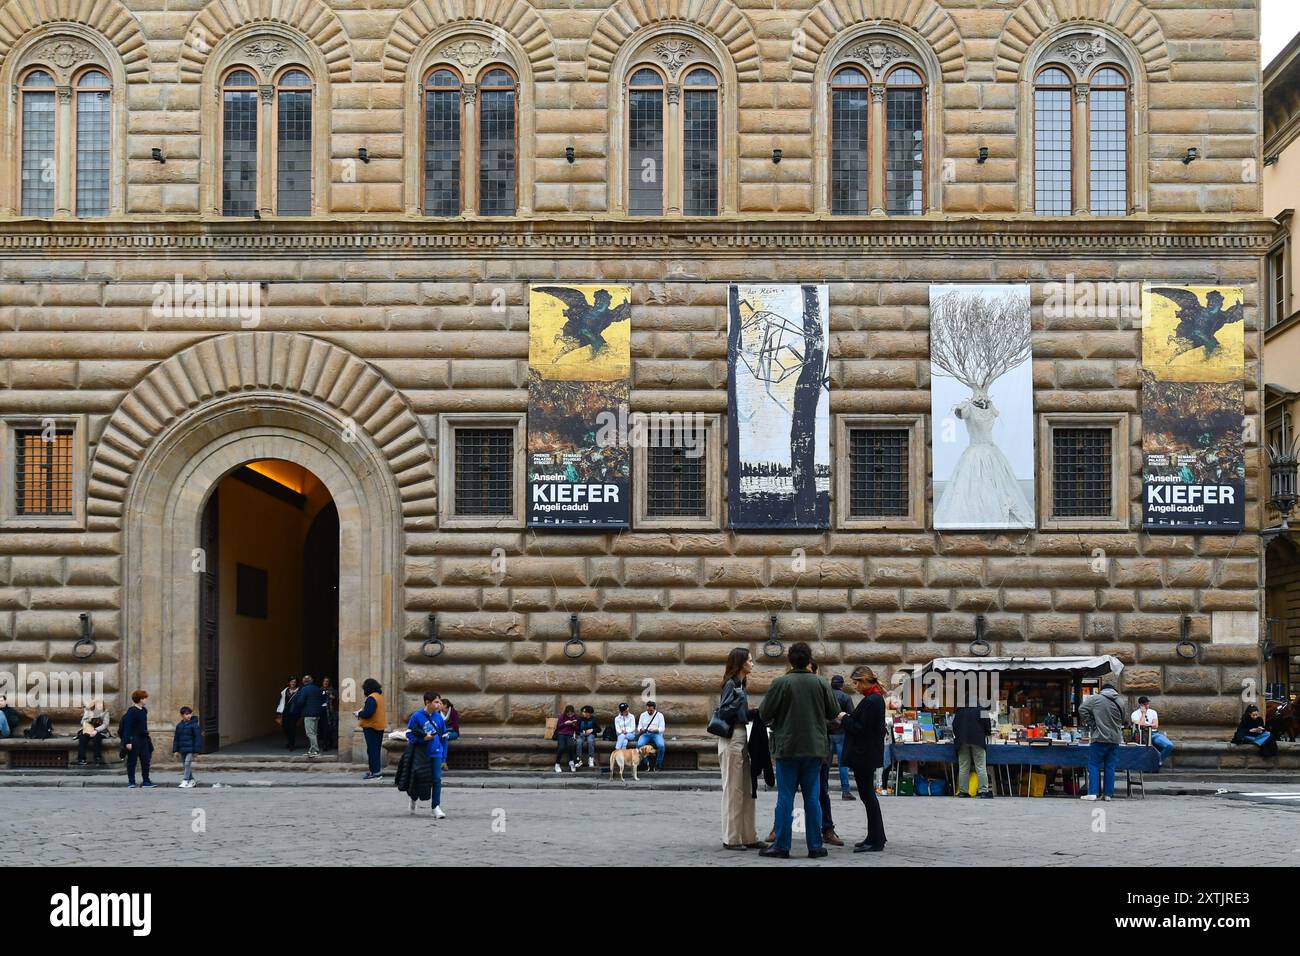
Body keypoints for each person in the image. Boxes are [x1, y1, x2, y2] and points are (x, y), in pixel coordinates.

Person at [758, 642, 840, 860]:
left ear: (790, 660)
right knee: (812, 798)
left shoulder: (781, 683)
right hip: (814, 749)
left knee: (785, 798)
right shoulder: (821, 683)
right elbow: (833, 711)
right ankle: (815, 845)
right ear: (809, 660)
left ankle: (782, 845)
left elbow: (764, 712)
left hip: (787, 747)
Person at [717, 648, 766, 851]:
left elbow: (739, 713)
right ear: (741, 663)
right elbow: (724, 711)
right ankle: (732, 838)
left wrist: (754, 712)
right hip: (732, 739)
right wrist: (739, 701)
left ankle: (748, 835)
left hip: (741, 737)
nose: (753, 664)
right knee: (734, 789)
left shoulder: (740, 684)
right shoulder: (731, 684)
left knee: (747, 789)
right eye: (750, 660)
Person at [839, 665, 887, 852]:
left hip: (864, 755)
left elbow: (860, 728)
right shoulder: (873, 699)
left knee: (868, 797)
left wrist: (844, 718)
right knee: (868, 797)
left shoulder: (872, 701)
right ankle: (875, 836)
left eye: (857, 682)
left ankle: (875, 839)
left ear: (866, 681)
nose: (855, 686)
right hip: (866, 754)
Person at [809, 660, 843, 847]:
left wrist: (822, 724)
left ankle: (827, 829)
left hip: (820, 748)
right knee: (787, 792)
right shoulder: (789, 685)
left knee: (822, 789)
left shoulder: (823, 688)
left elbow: (835, 717)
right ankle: (778, 829)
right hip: (797, 748)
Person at [398, 692, 448, 818]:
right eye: (436, 702)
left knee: (436, 779)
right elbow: (409, 734)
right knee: (418, 778)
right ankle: (413, 798)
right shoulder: (417, 716)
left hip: (436, 752)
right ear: (427, 702)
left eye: (439, 702)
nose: (439, 705)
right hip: (421, 754)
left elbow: (444, 738)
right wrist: (423, 739)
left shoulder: (439, 718)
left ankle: (435, 807)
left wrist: (444, 757)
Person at [1078, 681, 1127, 801]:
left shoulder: (1096, 698)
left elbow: (1081, 709)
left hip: (1099, 737)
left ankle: (1093, 793)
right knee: (1110, 766)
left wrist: (1092, 723)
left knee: (1093, 765)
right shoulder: (1120, 701)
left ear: (1102, 690)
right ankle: (1108, 794)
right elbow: (1123, 719)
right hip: (1115, 739)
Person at [952, 701, 994, 798]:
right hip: (978, 740)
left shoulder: (960, 711)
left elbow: (954, 727)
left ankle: (963, 791)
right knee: (980, 766)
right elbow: (988, 727)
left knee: (963, 766)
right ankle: (983, 791)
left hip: (962, 741)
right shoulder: (982, 710)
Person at [120, 689, 155, 789]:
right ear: (140, 699)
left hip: (144, 739)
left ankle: (146, 781)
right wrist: (127, 742)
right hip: (134, 739)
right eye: (144, 698)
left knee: (146, 760)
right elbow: (127, 727)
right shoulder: (132, 711)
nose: (146, 700)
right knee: (132, 761)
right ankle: (131, 782)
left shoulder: (144, 710)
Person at [356, 678, 387, 779]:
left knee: (372, 749)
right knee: (375, 749)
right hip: (379, 726)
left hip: (371, 726)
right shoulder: (379, 696)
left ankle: (375, 772)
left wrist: (359, 713)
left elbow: (368, 713)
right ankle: (375, 770)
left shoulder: (371, 698)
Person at [830, 675, 854, 801]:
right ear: (842, 685)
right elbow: (851, 715)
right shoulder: (846, 697)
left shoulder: (825, 696)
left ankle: (820, 790)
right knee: (843, 763)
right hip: (841, 733)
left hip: (827, 733)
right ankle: (845, 791)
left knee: (824, 764)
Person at [1132, 696, 1174, 764]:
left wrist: (1146, 724)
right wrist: (1143, 714)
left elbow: (1156, 725)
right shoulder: (1135, 714)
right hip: (1143, 735)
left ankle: (1158, 761)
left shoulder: (1153, 712)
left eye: (1148, 703)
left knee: (1169, 745)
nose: (1147, 706)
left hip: (1154, 734)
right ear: (1141, 705)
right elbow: (1141, 726)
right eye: (1145, 704)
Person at [293, 674, 325, 757]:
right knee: (314, 733)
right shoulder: (317, 689)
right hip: (317, 714)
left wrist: (296, 696)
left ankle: (316, 751)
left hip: (309, 714)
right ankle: (312, 750)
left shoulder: (304, 689)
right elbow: (322, 700)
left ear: (304, 682)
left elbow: (300, 702)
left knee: (310, 733)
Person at [172, 706, 202, 788]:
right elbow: (176, 738)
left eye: (190, 714)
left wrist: (197, 749)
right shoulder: (179, 726)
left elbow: (198, 737)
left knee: (187, 763)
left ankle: (185, 780)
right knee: (185, 765)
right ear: (182, 715)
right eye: (186, 714)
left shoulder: (194, 725)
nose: (188, 716)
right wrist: (175, 750)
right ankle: (192, 780)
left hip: (191, 748)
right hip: (182, 748)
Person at [77, 698, 111, 766]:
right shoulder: (89, 711)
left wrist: (96, 730)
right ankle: (81, 758)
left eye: (100, 704)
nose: (99, 706)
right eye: (97, 704)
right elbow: (82, 722)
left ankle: (97, 758)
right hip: (88, 730)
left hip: (100, 731)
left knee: (97, 738)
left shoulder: (105, 712)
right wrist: (88, 718)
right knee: (82, 737)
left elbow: (105, 724)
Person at [636, 701, 666, 771]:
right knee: (639, 745)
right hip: (645, 734)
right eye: (648, 710)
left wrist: (656, 730)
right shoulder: (643, 715)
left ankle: (658, 764)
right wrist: (641, 729)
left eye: (651, 710)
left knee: (661, 745)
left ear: (654, 709)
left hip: (656, 734)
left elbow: (662, 728)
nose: (649, 712)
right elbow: (639, 726)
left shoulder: (660, 715)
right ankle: (645, 764)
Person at [554, 704, 579, 773]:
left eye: (571, 713)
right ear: (566, 712)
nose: (570, 715)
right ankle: (557, 764)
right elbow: (558, 726)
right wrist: (565, 723)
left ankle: (571, 762)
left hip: (570, 734)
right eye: (569, 713)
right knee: (562, 747)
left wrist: (573, 725)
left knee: (571, 746)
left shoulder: (575, 717)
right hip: (561, 734)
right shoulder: (562, 716)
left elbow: (577, 728)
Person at [277, 677, 299, 751]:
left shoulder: (298, 691)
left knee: (292, 728)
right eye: (292, 682)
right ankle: (289, 741)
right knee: (285, 727)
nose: (293, 683)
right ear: (289, 683)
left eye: (294, 682)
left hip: (294, 712)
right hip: (286, 712)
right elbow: (281, 701)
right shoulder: (284, 691)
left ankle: (291, 744)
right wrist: (279, 711)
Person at [440, 697, 461, 771]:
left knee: (445, 737)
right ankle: (440, 762)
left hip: (453, 732)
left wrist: (447, 731)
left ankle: (443, 761)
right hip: (442, 733)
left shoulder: (453, 712)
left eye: (440, 704)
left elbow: (455, 726)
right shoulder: (439, 713)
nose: (439, 705)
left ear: (445, 705)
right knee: (443, 737)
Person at [319, 677, 338, 751]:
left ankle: (331, 742)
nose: (326, 683)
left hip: (332, 712)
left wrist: (333, 697)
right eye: (324, 681)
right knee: (324, 728)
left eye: (327, 681)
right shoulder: (319, 690)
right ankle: (325, 744)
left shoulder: (333, 690)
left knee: (332, 728)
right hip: (323, 712)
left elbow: (337, 699)